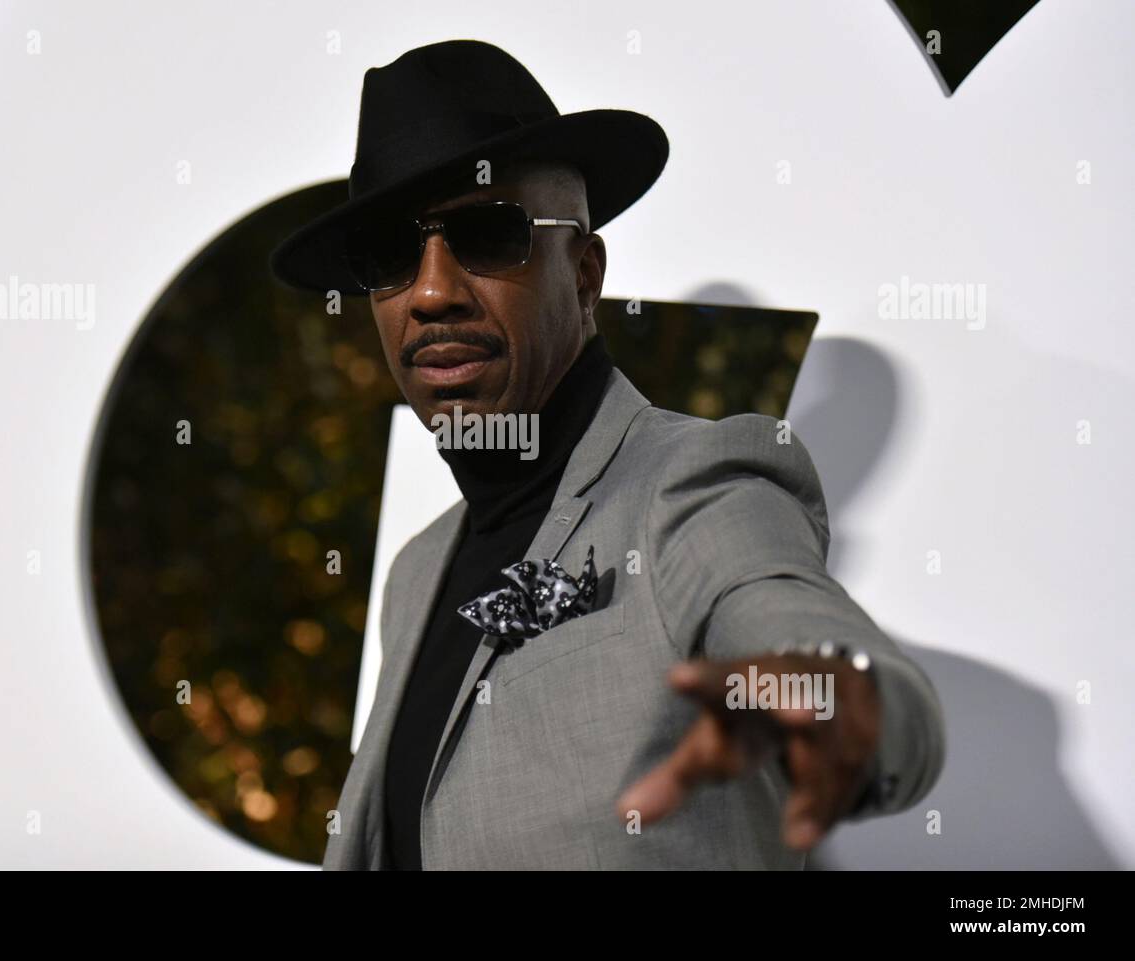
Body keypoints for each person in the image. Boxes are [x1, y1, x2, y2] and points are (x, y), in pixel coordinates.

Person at [271, 39, 944, 870]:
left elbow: (798, 632)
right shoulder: (415, 574)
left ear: (584, 274)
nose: (432, 290)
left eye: (486, 233)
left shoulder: (695, 484)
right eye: (388, 256)